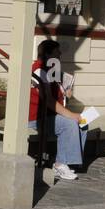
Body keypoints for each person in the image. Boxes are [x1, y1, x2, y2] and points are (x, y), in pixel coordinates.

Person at [29, 38, 85, 182]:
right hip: (36, 118)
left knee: (84, 122)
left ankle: (68, 161)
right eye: (57, 52)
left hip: (50, 116)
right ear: (48, 55)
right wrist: (72, 115)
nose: (60, 55)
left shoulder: (51, 70)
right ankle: (60, 165)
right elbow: (48, 101)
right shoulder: (39, 70)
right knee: (70, 123)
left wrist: (66, 93)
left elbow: (56, 96)